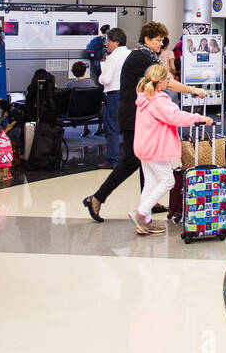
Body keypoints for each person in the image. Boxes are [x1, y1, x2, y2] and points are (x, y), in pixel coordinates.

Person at [83, 22, 207, 223]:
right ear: (147, 39)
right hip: (134, 116)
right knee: (132, 159)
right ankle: (98, 198)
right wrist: (193, 90)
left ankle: (148, 202)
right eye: (158, 40)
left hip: (138, 114)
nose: (161, 44)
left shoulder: (146, 55)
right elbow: (167, 82)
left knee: (144, 159)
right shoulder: (142, 57)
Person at [128, 64, 214, 236]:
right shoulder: (160, 100)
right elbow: (176, 117)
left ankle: (144, 222)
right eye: (168, 79)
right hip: (156, 148)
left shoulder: (144, 98)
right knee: (168, 181)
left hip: (144, 147)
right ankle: (141, 212)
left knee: (151, 183)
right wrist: (201, 118)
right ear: (160, 82)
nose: (170, 81)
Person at [96, 28, 130, 171]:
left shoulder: (112, 57)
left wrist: (101, 72)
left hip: (114, 95)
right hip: (129, 94)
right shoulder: (130, 54)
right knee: (128, 128)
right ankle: (129, 157)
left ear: (116, 42)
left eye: (108, 40)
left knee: (112, 128)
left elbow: (105, 79)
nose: (106, 43)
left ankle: (112, 160)